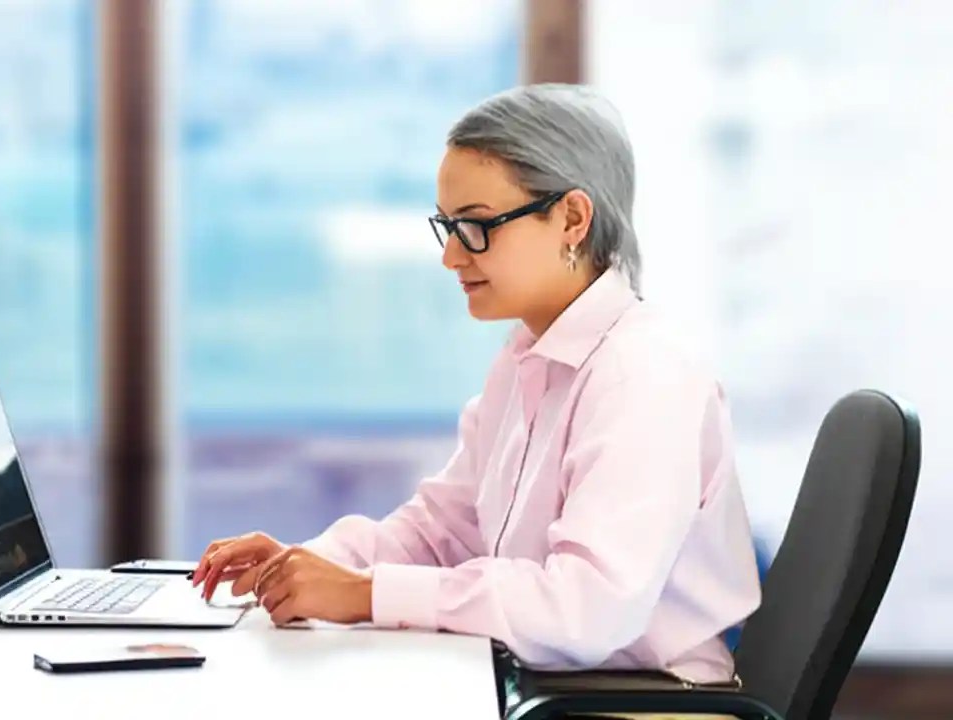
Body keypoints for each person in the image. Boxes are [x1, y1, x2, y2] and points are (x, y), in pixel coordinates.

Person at [191, 83, 761, 685]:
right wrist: (309, 566)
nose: (452, 258)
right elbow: (442, 529)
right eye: (449, 226)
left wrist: (365, 594)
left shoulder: (643, 373)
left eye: (478, 226)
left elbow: (587, 609)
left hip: (640, 701)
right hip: (552, 687)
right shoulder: (526, 361)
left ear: (571, 218)